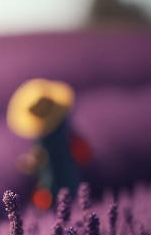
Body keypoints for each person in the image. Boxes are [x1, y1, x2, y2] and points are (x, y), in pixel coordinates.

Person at [7, 78, 93, 209]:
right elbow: (81, 149)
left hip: (53, 178)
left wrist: (29, 163)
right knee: (73, 202)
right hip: (69, 174)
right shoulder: (64, 127)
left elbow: (39, 157)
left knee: (58, 204)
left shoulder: (44, 137)